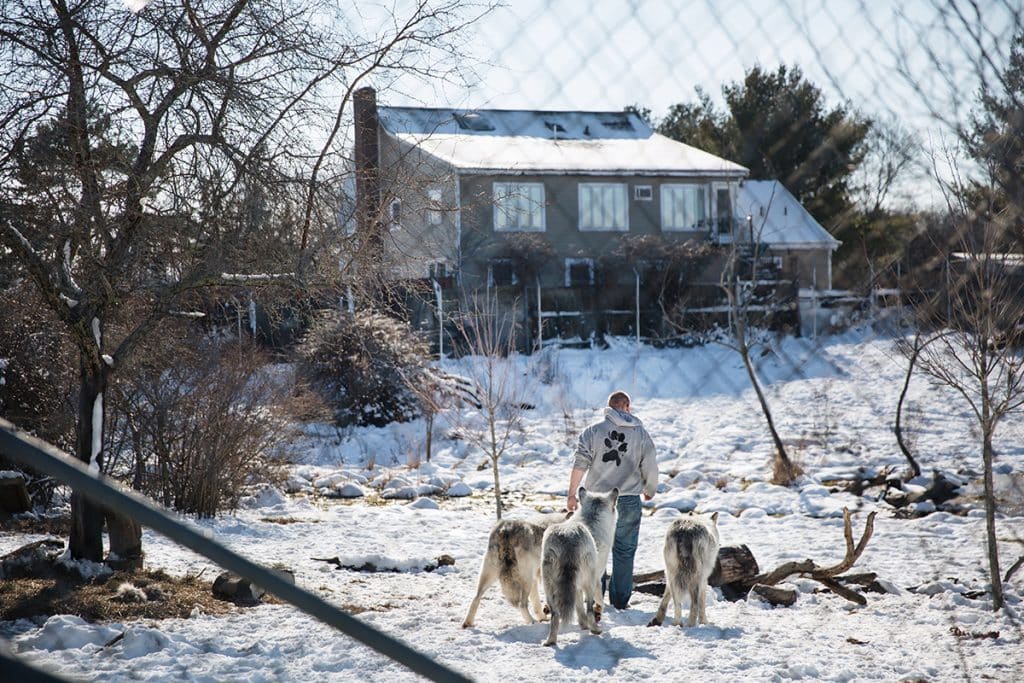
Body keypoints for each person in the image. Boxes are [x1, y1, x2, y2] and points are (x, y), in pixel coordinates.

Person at [566, 390, 658, 610]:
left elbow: (580, 463)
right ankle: (619, 601)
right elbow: (650, 463)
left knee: (594, 548)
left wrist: (571, 494)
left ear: (609, 407)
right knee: (624, 550)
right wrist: (650, 487)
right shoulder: (641, 434)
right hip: (627, 499)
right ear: (627, 406)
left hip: (595, 503)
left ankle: (595, 597)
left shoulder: (592, 431)